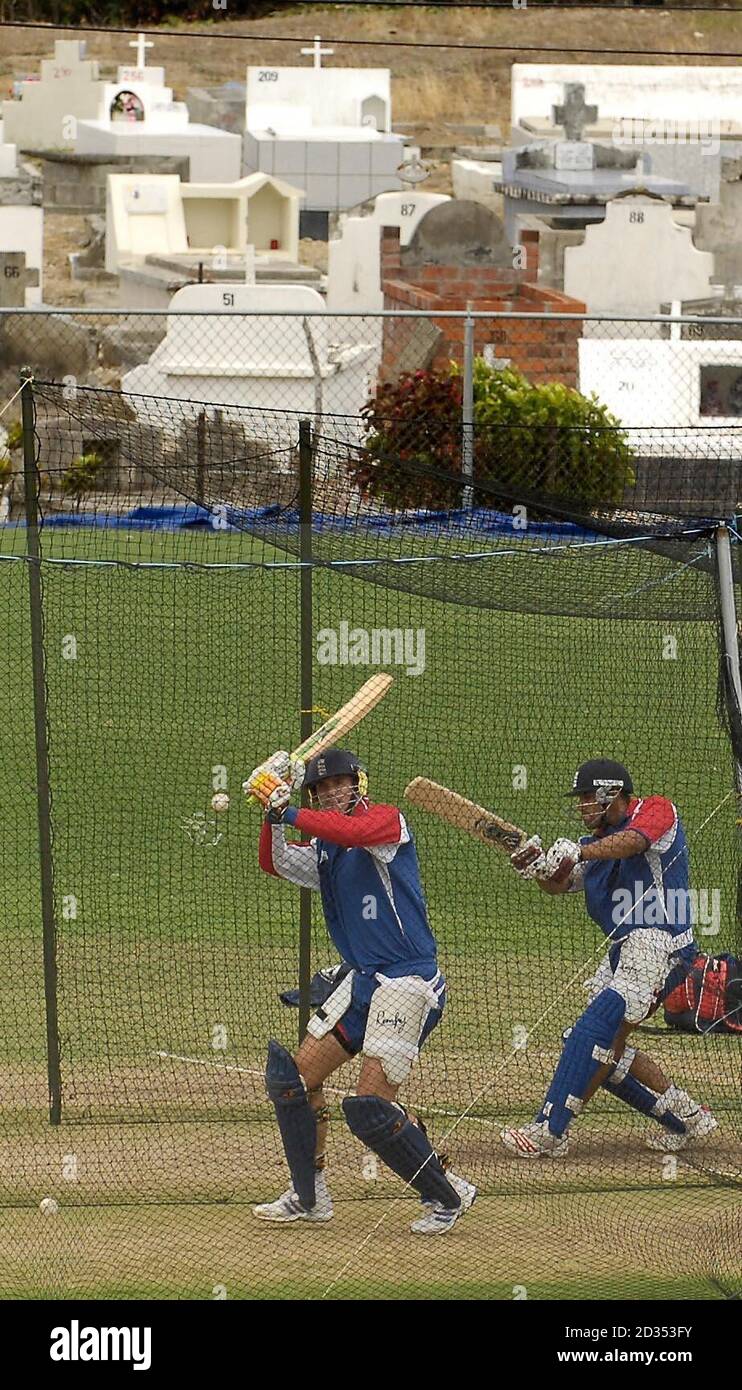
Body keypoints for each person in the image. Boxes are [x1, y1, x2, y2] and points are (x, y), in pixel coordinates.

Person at [246, 746, 476, 1234]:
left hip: (408, 980)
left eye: (341, 783)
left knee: (370, 1107)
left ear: (359, 783)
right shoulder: (328, 847)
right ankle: (309, 1196)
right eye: (322, 788)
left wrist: (292, 809)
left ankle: (447, 1192)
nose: (333, 792)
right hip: (363, 980)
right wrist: (273, 815)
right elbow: (277, 862)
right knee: (294, 1082)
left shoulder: (388, 824)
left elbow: (351, 831)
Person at [501, 759, 718, 1158]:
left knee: (592, 1033)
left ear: (610, 793)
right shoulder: (598, 842)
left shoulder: (655, 810)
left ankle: (548, 1131)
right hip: (625, 951)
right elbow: (560, 885)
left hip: (661, 944)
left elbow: (635, 841)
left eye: (587, 797)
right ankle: (686, 1117)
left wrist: (578, 851)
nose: (582, 806)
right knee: (594, 1043)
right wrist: (539, 869)